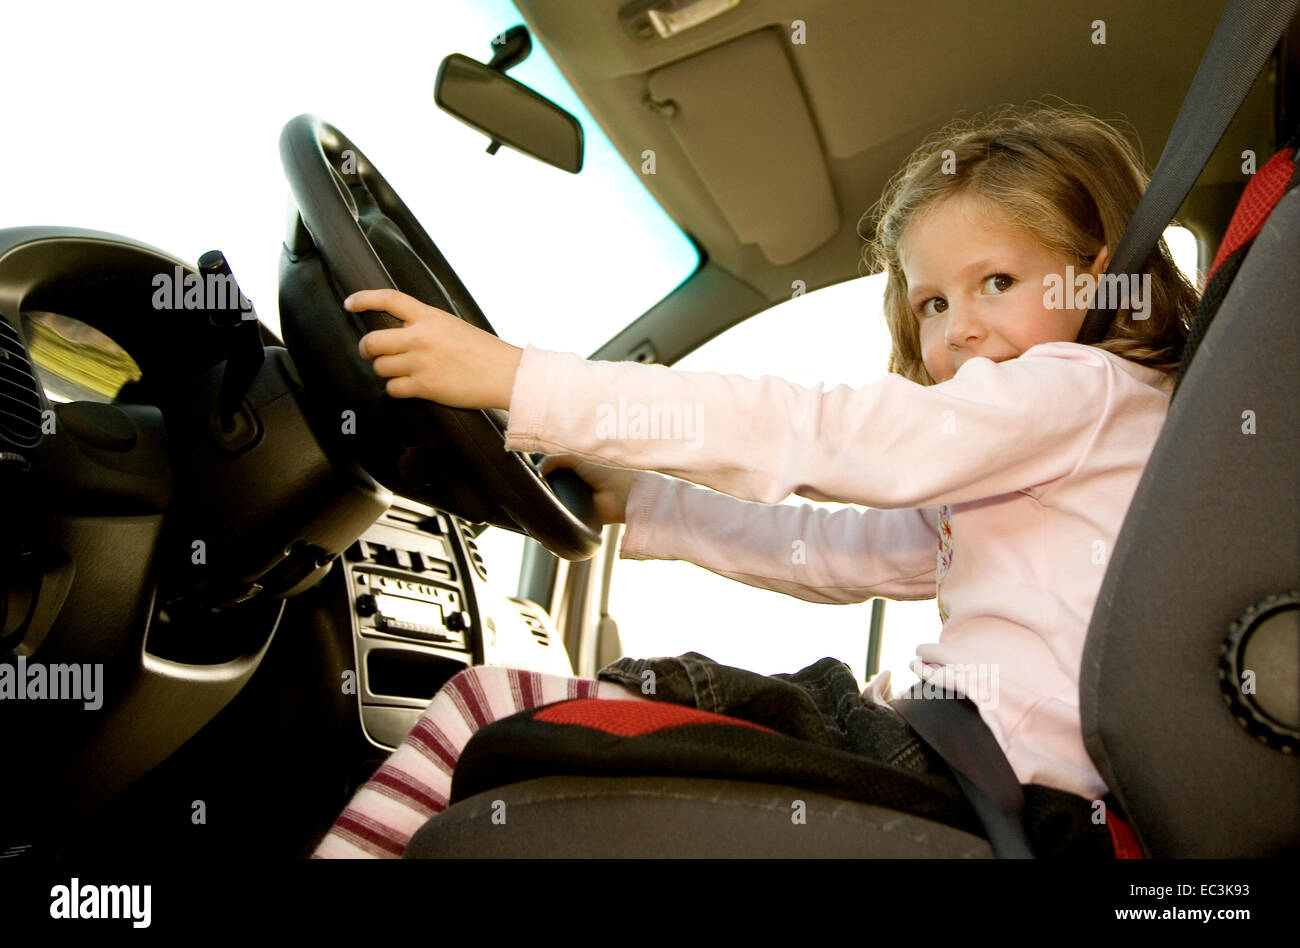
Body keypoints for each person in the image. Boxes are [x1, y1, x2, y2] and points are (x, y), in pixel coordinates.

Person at [311, 102, 1198, 858]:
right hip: (965, 763)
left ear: (1104, 274)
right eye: (933, 303)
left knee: (484, 706)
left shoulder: (1080, 391)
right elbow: (835, 550)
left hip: (985, 777)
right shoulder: (1047, 447)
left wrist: (522, 378)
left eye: (996, 281)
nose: (958, 329)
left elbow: (819, 432)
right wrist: (652, 500)